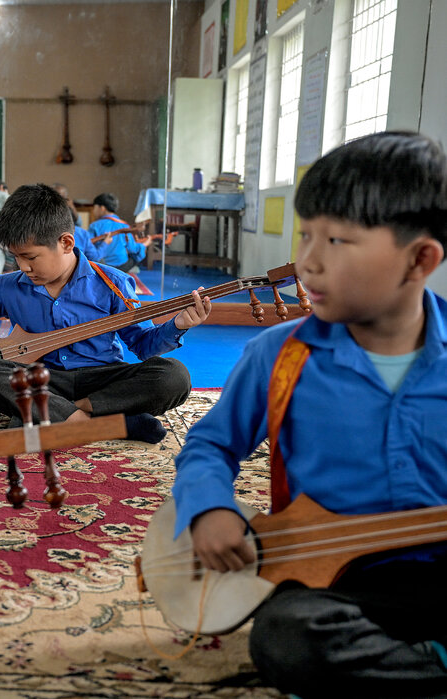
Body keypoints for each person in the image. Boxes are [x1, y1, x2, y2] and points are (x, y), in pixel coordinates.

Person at [171, 131, 447, 698]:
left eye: (338, 241)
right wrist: (210, 508)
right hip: (335, 582)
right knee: (286, 638)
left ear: (421, 259)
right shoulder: (279, 354)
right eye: (306, 236)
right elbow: (210, 446)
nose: (309, 262)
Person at [0, 183, 210, 443]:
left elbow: (142, 345)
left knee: (174, 376)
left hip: (102, 380)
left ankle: (56, 416)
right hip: (43, 380)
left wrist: (178, 325)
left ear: (66, 243)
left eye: (31, 257)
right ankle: (106, 423)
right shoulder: (9, 286)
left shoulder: (112, 283)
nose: (23, 266)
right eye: (16, 257)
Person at [87, 192, 147, 273]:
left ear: (102, 208)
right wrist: (144, 245)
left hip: (101, 266)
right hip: (121, 267)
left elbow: (88, 248)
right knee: (137, 253)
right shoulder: (124, 226)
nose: (94, 210)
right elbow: (133, 248)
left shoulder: (94, 226)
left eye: (94, 207)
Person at [53, 183, 100, 264]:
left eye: (61, 195)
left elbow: (78, 222)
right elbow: (94, 258)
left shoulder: (69, 205)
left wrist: (71, 206)